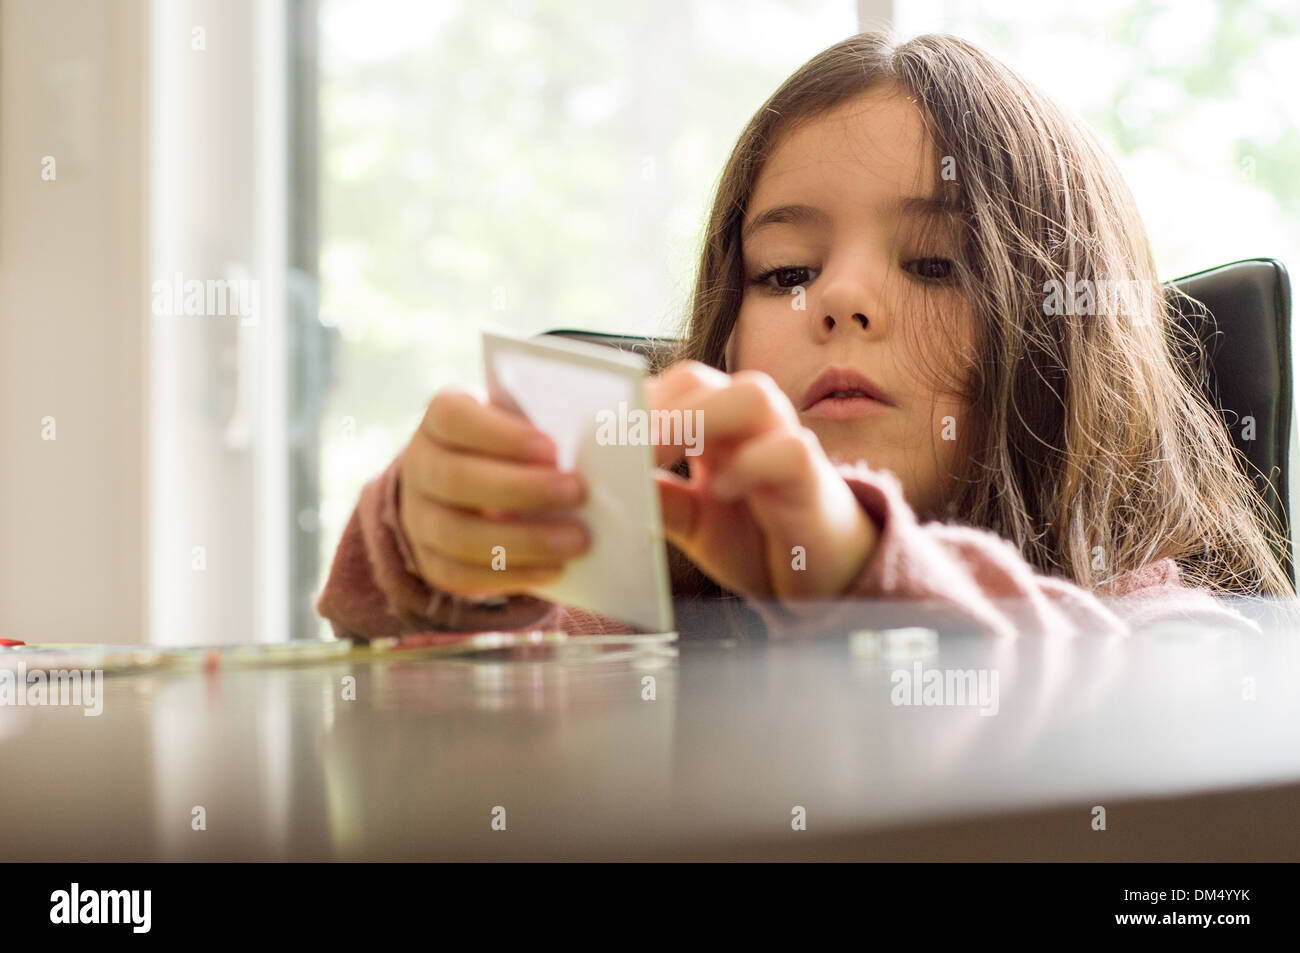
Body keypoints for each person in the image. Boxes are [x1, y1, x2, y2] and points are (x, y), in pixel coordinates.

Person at [317, 32, 1289, 643]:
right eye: (784, 272)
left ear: (1073, 344)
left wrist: (850, 566)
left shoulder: (1166, 630)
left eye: (936, 263)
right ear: (722, 346)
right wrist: (434, 545)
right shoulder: (638, 617)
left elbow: (1101, 701)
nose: (838, 299)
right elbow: (399, 642)